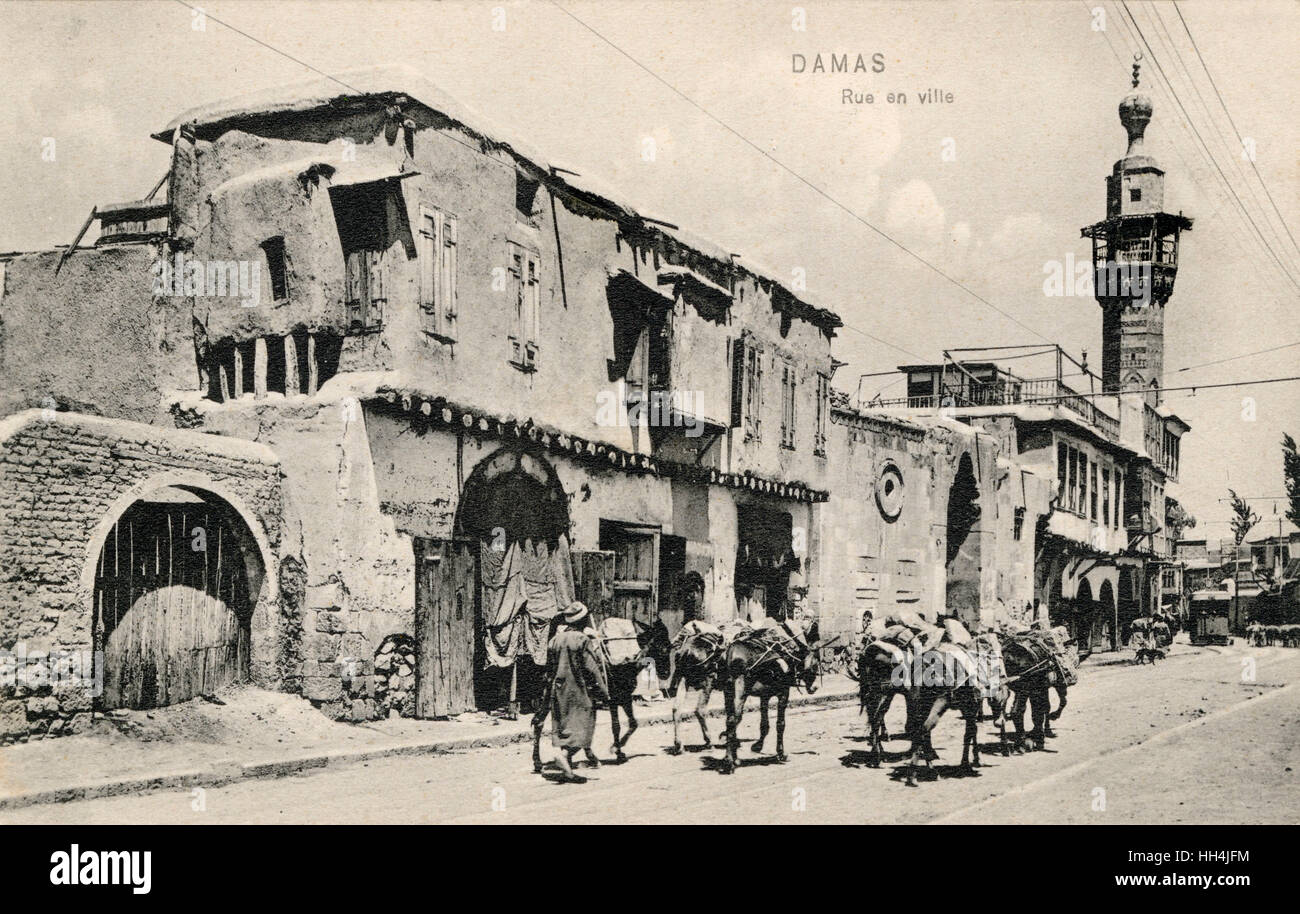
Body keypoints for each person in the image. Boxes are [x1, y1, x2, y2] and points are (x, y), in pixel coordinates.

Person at [544, 601, 610, 783]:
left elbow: (549, 668)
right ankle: (563, 754)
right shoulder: (582, 640)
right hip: (577, 690)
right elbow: (592, 669)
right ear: (582, 621)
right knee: (584, 725)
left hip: (558, 689)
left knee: (563, 724)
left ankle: (568, 769)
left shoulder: (555, 640)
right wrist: (604, 692)